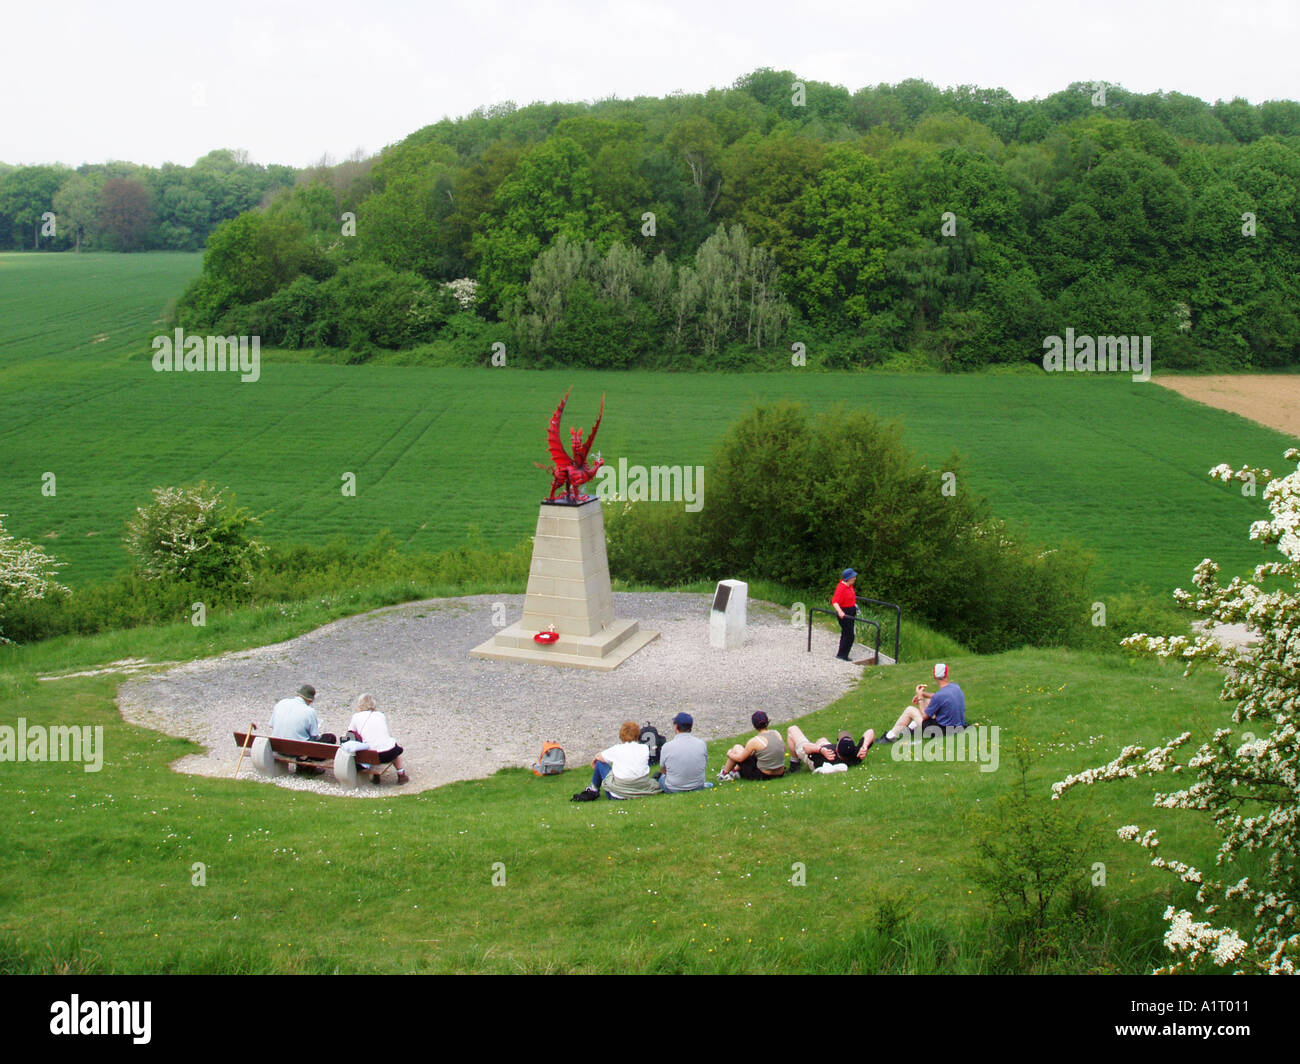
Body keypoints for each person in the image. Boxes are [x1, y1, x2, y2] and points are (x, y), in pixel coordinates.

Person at [879, 663, 967, 742]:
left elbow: (924, 716)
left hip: (941, 730)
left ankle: (890, 736)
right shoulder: (955, 687)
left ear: (934, 677)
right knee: (928, 701)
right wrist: (923, 694)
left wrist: (920, 698)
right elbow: (937, 697)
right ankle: (912, 727)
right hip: (958, 726)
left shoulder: (939, 696)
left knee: (910, 710)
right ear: (946, 674)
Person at [577, 721, 661, 800]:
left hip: (618, 795)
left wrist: (595, 763)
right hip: (641, 787)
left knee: (600, 763)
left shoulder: (617, 749)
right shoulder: (644, 748)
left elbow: (599, 757)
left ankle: (593, 789)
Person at [346, 694, 410, 785]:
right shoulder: (380, 715)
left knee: (369, 746)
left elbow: (350, 733)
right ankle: (401, 774)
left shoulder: (356, 717)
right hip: (390, 753)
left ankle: (375, 776)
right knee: (395, 748)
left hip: (371, 756)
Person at [718, 711, 785, 781]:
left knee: (737, 748)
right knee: (751, 754)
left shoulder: (755, 741)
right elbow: (782, 749)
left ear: (754, 725)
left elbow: (740, 759)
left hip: (763, 775)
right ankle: (734, 771)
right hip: (780, 772)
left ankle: (724, 774)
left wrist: (729, 753)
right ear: (767, 722)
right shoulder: (776, 733)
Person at [656, 712, 712, 793]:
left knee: (660, 777)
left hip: (673, 788)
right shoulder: (701, 743)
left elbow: (663, 769)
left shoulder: (667, 747)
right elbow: (704, 763)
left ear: (676, 726)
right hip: (698, 785)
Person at [787, 725, 874, 772]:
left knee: (792, 730)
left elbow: (805, 747)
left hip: (811, 757)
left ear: (836, 748)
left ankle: (795, 764)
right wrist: (865, 746)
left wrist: (820, 750)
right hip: (824, 747)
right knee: (822, 739)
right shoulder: (856, 755)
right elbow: (870, 731)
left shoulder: (827, 756)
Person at [832, 568, 858, 661]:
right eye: (853, 577)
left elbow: (850, 597)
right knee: (849, 634)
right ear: (848, 578)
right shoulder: (841, 588)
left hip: (851, 610)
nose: (855, 578)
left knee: (846, 633)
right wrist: (840, 612)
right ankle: (842, 655)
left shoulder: (849, 586)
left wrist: (855, 605)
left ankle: (843, 654)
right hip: (844, 612)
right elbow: (835, 601)